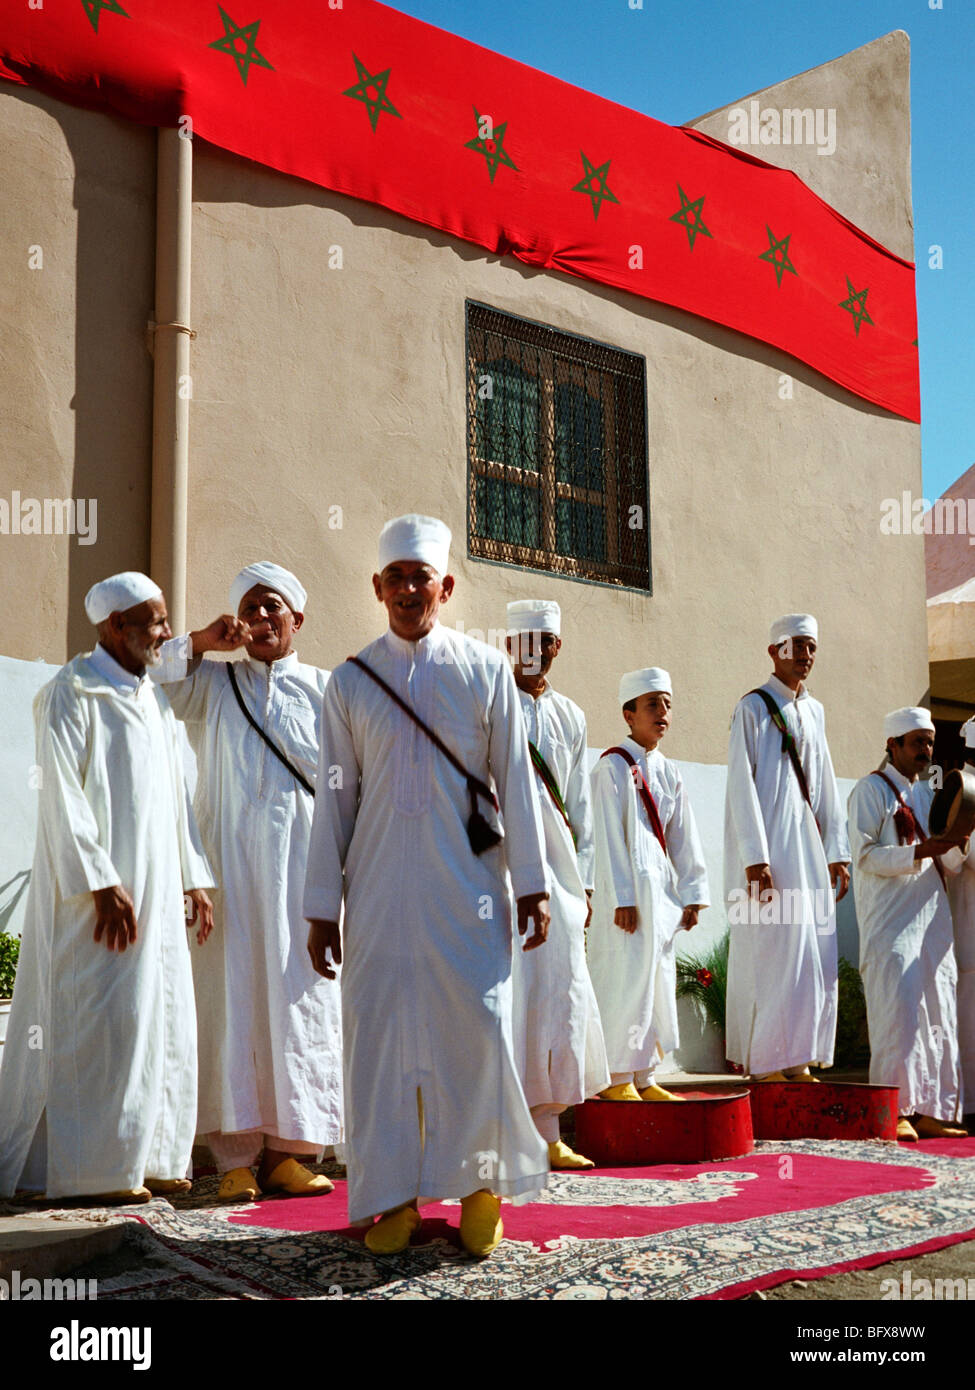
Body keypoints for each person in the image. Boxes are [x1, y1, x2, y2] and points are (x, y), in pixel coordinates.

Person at [304, 515, 551, 1257]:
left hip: (467, 888)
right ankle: (394, 1200)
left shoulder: (483, 672)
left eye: (423, 578)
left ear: (444, 587)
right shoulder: (348, 682)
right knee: (380, 1038)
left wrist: (533, 885)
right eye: (396, 578)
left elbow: (516, 781)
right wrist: (322, 906)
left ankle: (480, 1189)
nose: (410, 589)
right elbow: (334, 799)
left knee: (473, 1029)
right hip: (376, 893)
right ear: (378, 589)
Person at [0, 573, 214, 1203]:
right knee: (97, 1021)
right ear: (114, 627)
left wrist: (194, 876)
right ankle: (83, 1173)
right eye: (153, 622)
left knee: (151, 1019)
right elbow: (62, 796)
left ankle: (144, 1158)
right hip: (95, 901)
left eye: (166, 618)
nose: (167, 633)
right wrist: (100, 882)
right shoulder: (73, 692)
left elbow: (176, 801)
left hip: (155, 892)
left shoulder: (154, 701)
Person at [153, 562, 342, 1202]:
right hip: (226, 867)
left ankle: (293, 1153)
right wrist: (205, 641)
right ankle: (233, 1154)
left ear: (298, 621)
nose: (262, 619)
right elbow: (148, 676)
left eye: (274, 608)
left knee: (301, 995)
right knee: (229, 996)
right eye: (252, 609)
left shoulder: (325, 690)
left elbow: (351, 784)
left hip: (304, 869)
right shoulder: (213, 683)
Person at [504, 599, 609, 1168]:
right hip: (502, 872)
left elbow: (582, 808)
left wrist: (585, 886)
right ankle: (504, 1132)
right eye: (520, 638)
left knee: (557, 996)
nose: (531, 649)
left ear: (554, 647)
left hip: (562, 875)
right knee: (512, 995)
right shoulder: (489, 705)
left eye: (541, 639)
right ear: (505, 644)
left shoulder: (571, 715)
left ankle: (548, 1133)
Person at [724, 615, 850, 1081]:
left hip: (810, 848)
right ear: (775, 650)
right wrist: (755, 859)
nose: (806, 655)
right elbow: (741, 786)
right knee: (776, 950)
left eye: (812, 647)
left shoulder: (814, 712)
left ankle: (797, 1059)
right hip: (772, 852)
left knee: (812, 950)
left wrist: (837, 850)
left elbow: (829, 787)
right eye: (797, 646)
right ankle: (767, 1061)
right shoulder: (753, 708)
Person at [587, 668, 709, 1101]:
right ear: (629, 713)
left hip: (660, 897)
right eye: (653, 704)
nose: (662, 712)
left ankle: (645, 1075)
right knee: (625, 979)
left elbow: (683, 835)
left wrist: (693, 894)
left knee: (656, 978)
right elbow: (607, 836)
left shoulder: (668, 770)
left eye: (668, 704)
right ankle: (616, 1077)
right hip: (628, 897)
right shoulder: (612, 767)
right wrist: (621, 896)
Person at [847, 707, 968, 1140]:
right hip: (890, 921)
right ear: (892, 745)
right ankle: (893, 1110)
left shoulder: (929, 794)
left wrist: (958, 840)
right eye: (917, 742)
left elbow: (950, 863)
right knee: (896, 1012)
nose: (926, 750)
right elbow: (863, 856)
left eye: (930, 742)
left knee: (937, 1012)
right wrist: (921, 852)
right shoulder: (869, 791)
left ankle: (932, 1111)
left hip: (930, 919)